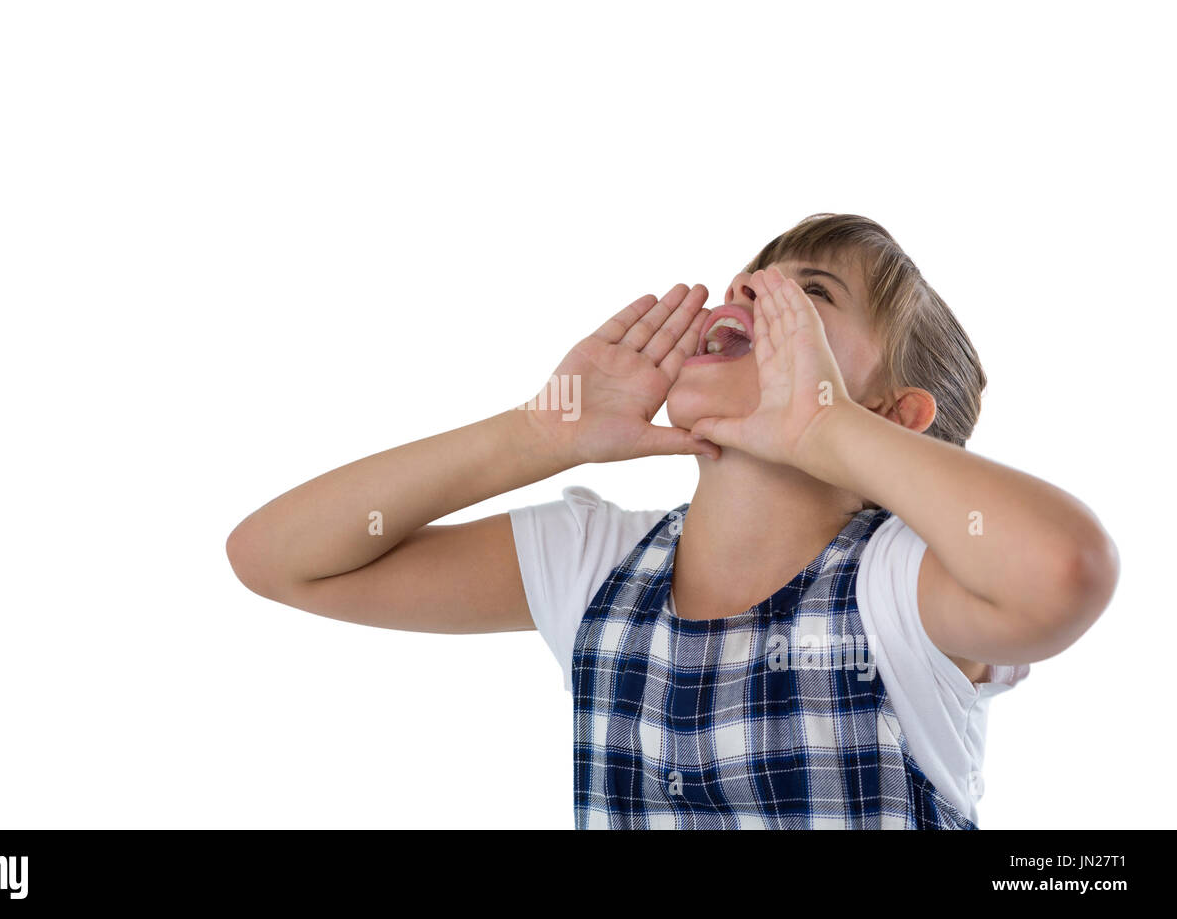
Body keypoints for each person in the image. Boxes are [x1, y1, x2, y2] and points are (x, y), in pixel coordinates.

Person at [225, 212, 1119, 828]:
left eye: (803, 296)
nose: (748, 296)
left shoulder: (900, 587)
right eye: (750, 281)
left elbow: (1064, 570)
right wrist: (537, 434)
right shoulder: (597, 562)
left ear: (891, 413)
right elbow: (280, 559)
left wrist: (826, 428)